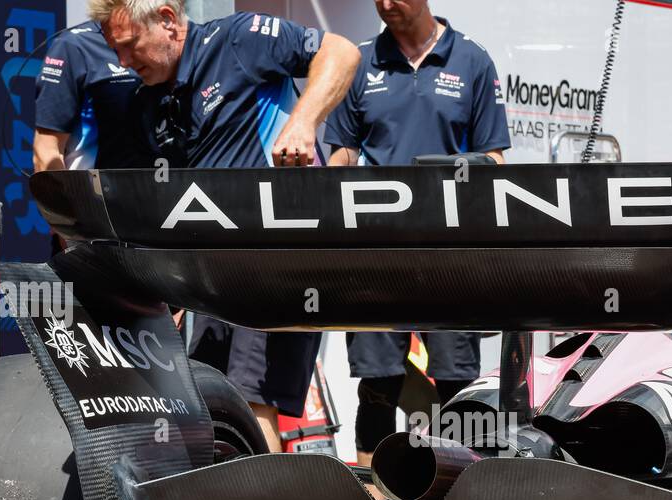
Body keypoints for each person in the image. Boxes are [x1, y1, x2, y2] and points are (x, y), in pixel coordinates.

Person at [88, 0, 360, 451]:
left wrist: (303, 122)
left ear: (168, 22)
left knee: (248, 400)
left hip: (274, 257)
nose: (123, 62)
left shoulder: (239, 38)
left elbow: (342, 52)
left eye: (130, 45)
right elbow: (161, 208)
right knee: (205, 399)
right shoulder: (145, 103)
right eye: (114, 51)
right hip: (208, 279)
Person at [326, 0, 510, 473]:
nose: (387, 4)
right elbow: (342, 153)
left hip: (450, 253)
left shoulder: (471, 59)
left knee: (456, 385)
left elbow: (495, 159)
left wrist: (449, 174)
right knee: (377, 383)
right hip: (375, 253)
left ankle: (457, 496)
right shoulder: (360, 60)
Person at [33, 20, 153, 173]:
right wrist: (66, 196)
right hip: (92, 193)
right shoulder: (74, 45)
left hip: (160, 191)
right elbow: (46, 150)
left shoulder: (167, 39)